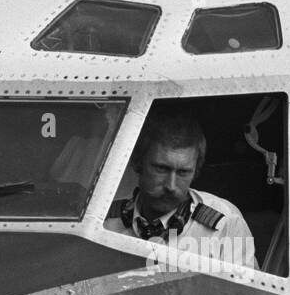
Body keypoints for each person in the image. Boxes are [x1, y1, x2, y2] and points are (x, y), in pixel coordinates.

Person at [105, 103, 259, 270]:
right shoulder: (105, 221)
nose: (171, 186)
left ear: (195, 173)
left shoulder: (225, 223)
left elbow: (246, 294)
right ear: (137, 163)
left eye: (183, 172)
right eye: (161, 169)